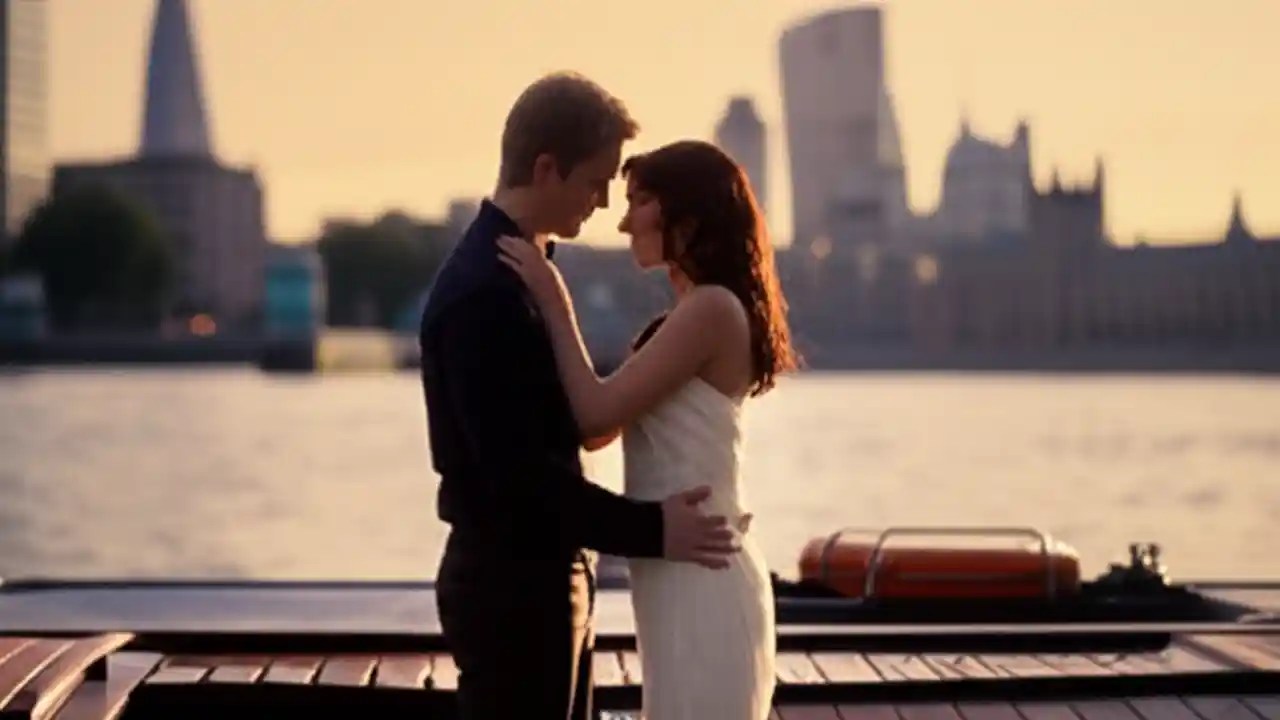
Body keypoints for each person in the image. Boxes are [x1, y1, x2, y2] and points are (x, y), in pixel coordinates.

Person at [417, 73, 740, 720]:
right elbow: (522, 479)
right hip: (512, 586)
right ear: (546, 168)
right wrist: (655, 530)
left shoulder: (520, 273)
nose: (602, 204)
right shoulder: (489, 292)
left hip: (541, 577)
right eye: (595, 182)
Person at [497, 139, 799, 719]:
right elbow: (599, 432)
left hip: (702, 579)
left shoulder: (710, 309)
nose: (622, 220)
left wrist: (554, 301)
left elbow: (594, 415)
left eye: (638, 201)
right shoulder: (689, 315)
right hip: (677, 574)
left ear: (682, 212)